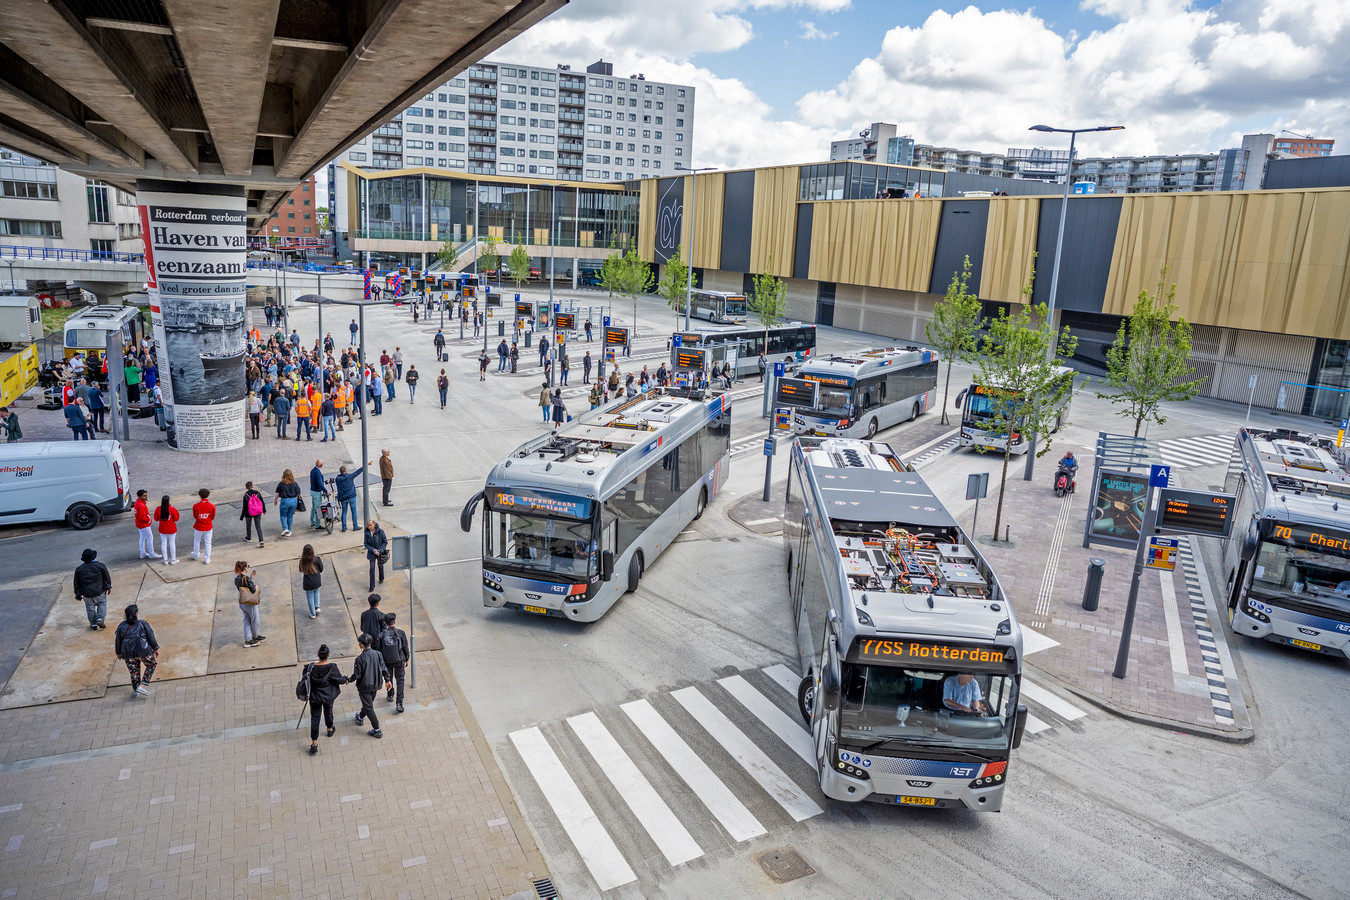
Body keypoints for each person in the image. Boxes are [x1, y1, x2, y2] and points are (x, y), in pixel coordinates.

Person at [349, 633, 390, 738]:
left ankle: (377, 729)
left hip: (364, 686)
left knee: (369, 707)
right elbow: (383, 668)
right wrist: (387, 680)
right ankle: (360, 716)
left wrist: (348, 680)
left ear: (362, 645)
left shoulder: (359, 659)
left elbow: (357, 675)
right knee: (368, 704)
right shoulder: (378, 654)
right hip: (376, 684)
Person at [305, 644, 345, 754]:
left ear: (318, 655)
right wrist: (346, 679)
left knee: (315, 718)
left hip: (314, 697)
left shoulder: (310, 668)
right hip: (328, 696)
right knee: (328, 712)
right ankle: (330, 729)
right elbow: (340, 680)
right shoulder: (332, 668)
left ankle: (314, 743)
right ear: (328, 655)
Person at [114, 604, 159, 698]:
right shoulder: (142, 623)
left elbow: (118, 640)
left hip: (128, 653)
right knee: (152, 664)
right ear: (136, 614)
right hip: (143, 651)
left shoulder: (121, 626)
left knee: (134, 671)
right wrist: (155, 648)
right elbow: (151, 636)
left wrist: (118, 653)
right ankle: (143, 685)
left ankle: (136, 691)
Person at [380, 612, 411, 713]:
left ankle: (390, 694)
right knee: (400, 680)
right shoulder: (401, 633)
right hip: (399, 660)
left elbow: (379, 650)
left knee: (388, 678)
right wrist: (406, 659)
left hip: (387, 661)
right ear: (395, 621)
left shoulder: (381, 635)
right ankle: (399, 703)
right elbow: (405, 648)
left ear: (385, 622)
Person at [73, 547, 111, 630]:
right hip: (99, 591)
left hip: (86, 593)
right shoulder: (100, 566)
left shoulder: (79, 569)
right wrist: (108, 587)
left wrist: (77, 593)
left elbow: (76, 583)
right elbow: (107, 578)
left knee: (90, 607)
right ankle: (100, 619)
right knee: (102, 603)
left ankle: (93, 624)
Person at [234, 560, 266, 647]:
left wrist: (250, 579)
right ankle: (255, 636)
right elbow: (252, 590)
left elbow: (244, 587)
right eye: (248, 566)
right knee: (255, 620)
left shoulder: (237, 579)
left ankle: (248, 640)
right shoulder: (246, 579)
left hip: (242, 602)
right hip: (249, 603)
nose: (248, 567)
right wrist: (256, 586)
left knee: (246, 620)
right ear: (245, 568)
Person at [334, 462, 369, 531]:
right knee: (354, 511)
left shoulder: (337, 479)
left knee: (344, 511)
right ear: (345, 471)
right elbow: (357, 472)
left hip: (343, 498)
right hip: (351, 496)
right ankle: (355, 526)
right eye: (347, 469)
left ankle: (344, 527)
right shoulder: (349, 477)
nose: (348, 470)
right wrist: (366, 465)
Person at [191, 488, 215, 564]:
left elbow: (195, 516)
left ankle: (196, 555)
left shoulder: (196, 506)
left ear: (199, 495)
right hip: (208, 526)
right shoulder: (212, 506)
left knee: (196, 541)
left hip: (199, 526)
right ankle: (207, 558)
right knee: (208, 542)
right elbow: (212, 517)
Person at [274, 469, 301, 537]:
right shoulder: (294, 483)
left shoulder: (281, 484)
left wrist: (275, 500)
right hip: (294, 501)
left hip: (285, 501)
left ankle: (285, 528)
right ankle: (289, 531)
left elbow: (277, 493)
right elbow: (299, 492)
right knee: (290, 516)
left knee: (283, 516)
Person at [300, 544, 324, 617]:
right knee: (316, 591)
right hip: (316, 580)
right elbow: (321, 569)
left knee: (310, 596)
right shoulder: (317, 559)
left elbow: (300, 570)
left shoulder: (302, 561)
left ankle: (313, 613)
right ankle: (317, 607)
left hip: (308, 582)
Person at [154, 495, 179, 565]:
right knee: (172, 543)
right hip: (171, 529)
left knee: (163, 543)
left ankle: (165, 560)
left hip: (162, 529)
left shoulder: (158, 509)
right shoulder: (173, 509)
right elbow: (176, 519)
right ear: (169, 501)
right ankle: (173, 560)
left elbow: (156, 519)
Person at [365, 520, 388, 592]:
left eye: (370, 525)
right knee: (372, 569)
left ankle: (381, 578)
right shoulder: (366, 533)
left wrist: (380, 550)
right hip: (372, 553)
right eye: (368, 525)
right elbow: (366, 544)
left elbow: (385, 542)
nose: (369, 527)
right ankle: (372, 586)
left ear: (374, 524)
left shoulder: (380, 531)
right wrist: (373, 550)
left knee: (380, 565)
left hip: (379, 553)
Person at [133, 490, 154, 559]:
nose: (146, 497)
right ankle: (151, 553)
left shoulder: (137, 504)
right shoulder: (141, 505)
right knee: (150, 537)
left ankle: (142, 553)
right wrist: (148, 520)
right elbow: (142, 517)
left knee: (142, 538)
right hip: (144, 524)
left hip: (139, 524)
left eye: (146, 495)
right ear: (140, 496)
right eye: (144, 496)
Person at [309, 460, 325, 529]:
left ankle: (312, 521)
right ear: (320, 465)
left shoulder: (313, 470)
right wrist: (325, 490)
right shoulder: (318, 472)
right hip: (316, 492)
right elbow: (320, 484)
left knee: (313, 507)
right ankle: (317, 525)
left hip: (312, 490)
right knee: (318, 508)